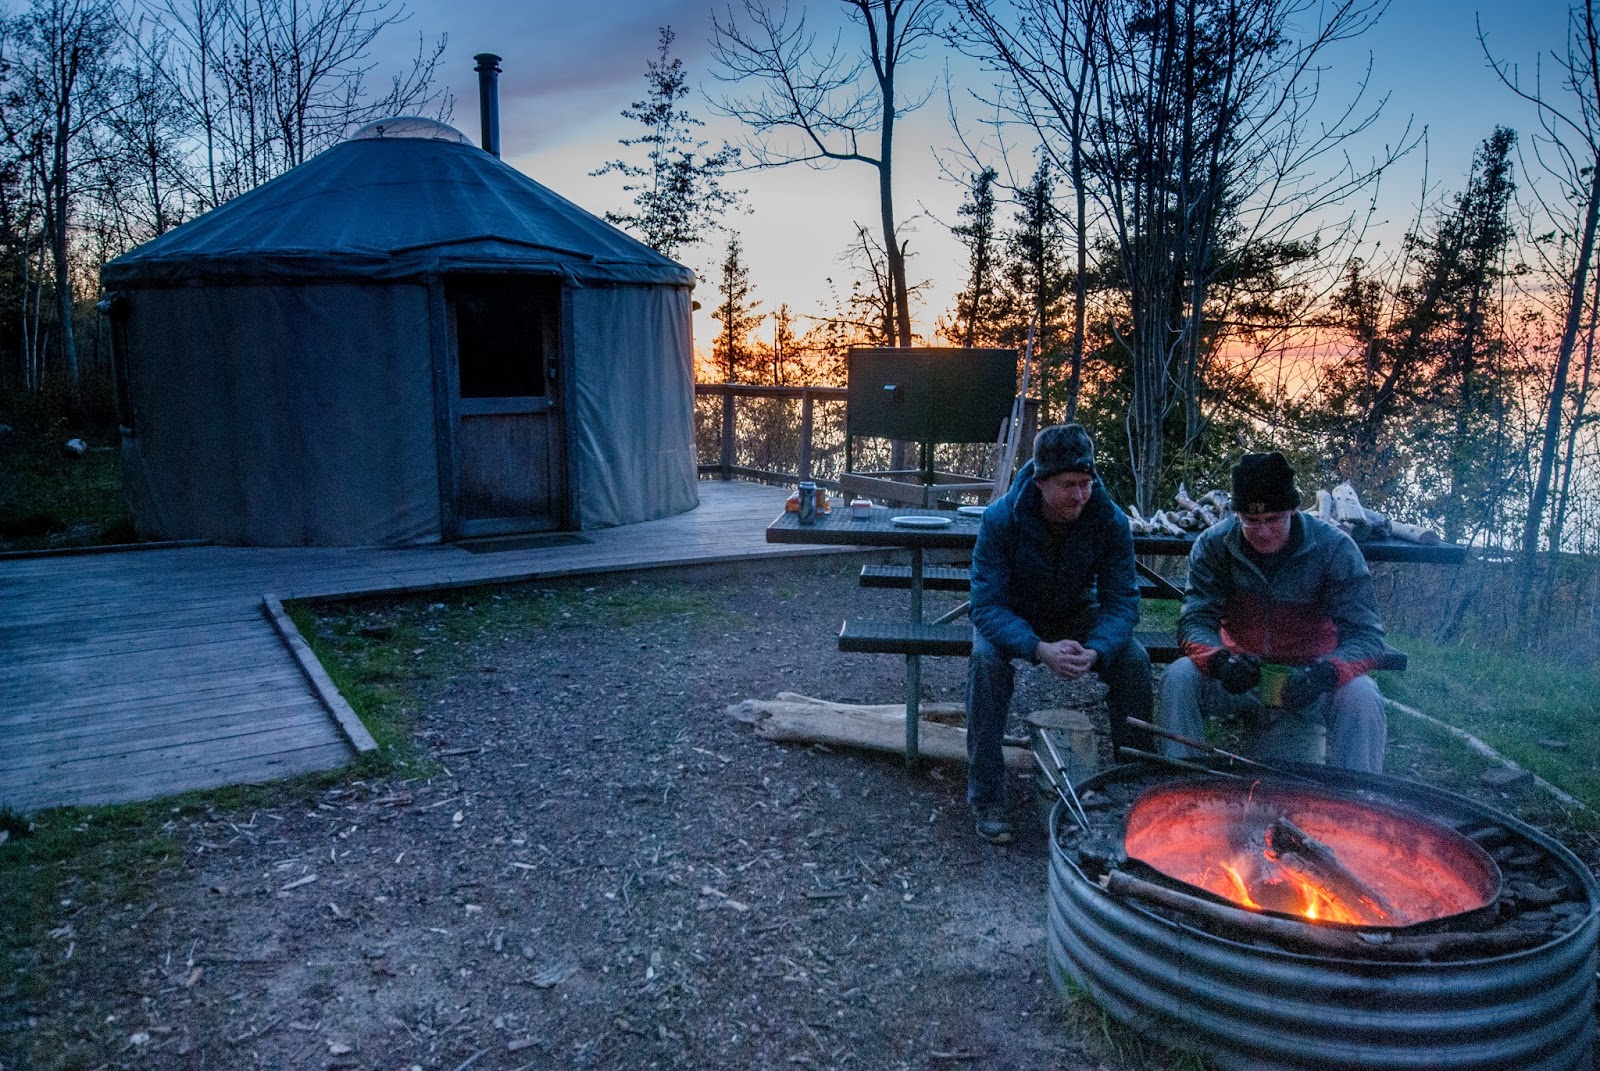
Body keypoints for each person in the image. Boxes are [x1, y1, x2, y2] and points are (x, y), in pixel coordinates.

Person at [966, 424, 1154, 844]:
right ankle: (987, 795)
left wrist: (1100, 649)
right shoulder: (1001, 520)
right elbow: (986, 606)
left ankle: (1132, 787)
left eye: (1087, 484)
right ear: (1040, 482)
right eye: (1069, 485)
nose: (1080, 495)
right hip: (1013, 615)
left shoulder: (1108, 520)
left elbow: (1122, 600)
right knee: (986, 663)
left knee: (1133, 661)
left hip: (1075, 611)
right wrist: (1037, 648)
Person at [1158, 451, 1388, 773]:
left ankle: (1360, 804)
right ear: (1236, 514)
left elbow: (1367, 637)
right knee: (1180, 677)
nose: (1262, 532)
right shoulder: (1213, 545)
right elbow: (1194, 621)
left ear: (1293, 510)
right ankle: (1181, 787)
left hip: (1310, 677)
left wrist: (1327, 672)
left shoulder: (1334, 549)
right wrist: (1221, 661)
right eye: (1251, 521)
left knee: (1363, 696)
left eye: (1273, 519)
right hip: (1242, 673)